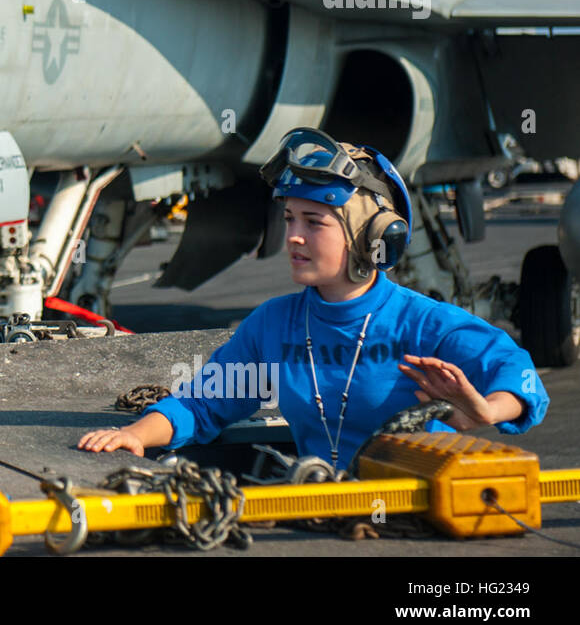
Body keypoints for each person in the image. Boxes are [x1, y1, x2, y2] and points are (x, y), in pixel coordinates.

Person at [79, 128, 548, 473]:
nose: (295, 238)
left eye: (314, 222)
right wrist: (135, 435)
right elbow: (204, 404)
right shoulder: (274, 325)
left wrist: (487, 411)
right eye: (289, 218)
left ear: (371, 235)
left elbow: (520, 375)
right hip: (320, 516)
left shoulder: (422, 323)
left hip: (416, 521)